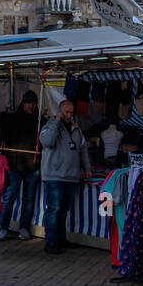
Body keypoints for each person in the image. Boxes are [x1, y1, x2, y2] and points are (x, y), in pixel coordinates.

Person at [38, 99, 92, 255]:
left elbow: (83, 150)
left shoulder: (77, 129)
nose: (69, 115)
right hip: (54, 176)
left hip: (71, 176)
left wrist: (87, 168)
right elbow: (47, 142)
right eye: (66, 112)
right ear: (60, 111)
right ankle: (50, 242)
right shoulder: (49, 126)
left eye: (71, 112)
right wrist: (56, 121)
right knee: (53, 210)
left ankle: (61, 239)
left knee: (63, 211)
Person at [0, 91, 41, 241]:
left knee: (28, 200)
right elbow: (2, 137)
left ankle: (23, 228)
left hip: (32, 167)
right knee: (9, 198)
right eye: (28, 103)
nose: (31, 106)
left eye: (33, 103)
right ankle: (3, 228)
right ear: (23, 103)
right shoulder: (12, 118)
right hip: (14, 166)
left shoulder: (40, 120)